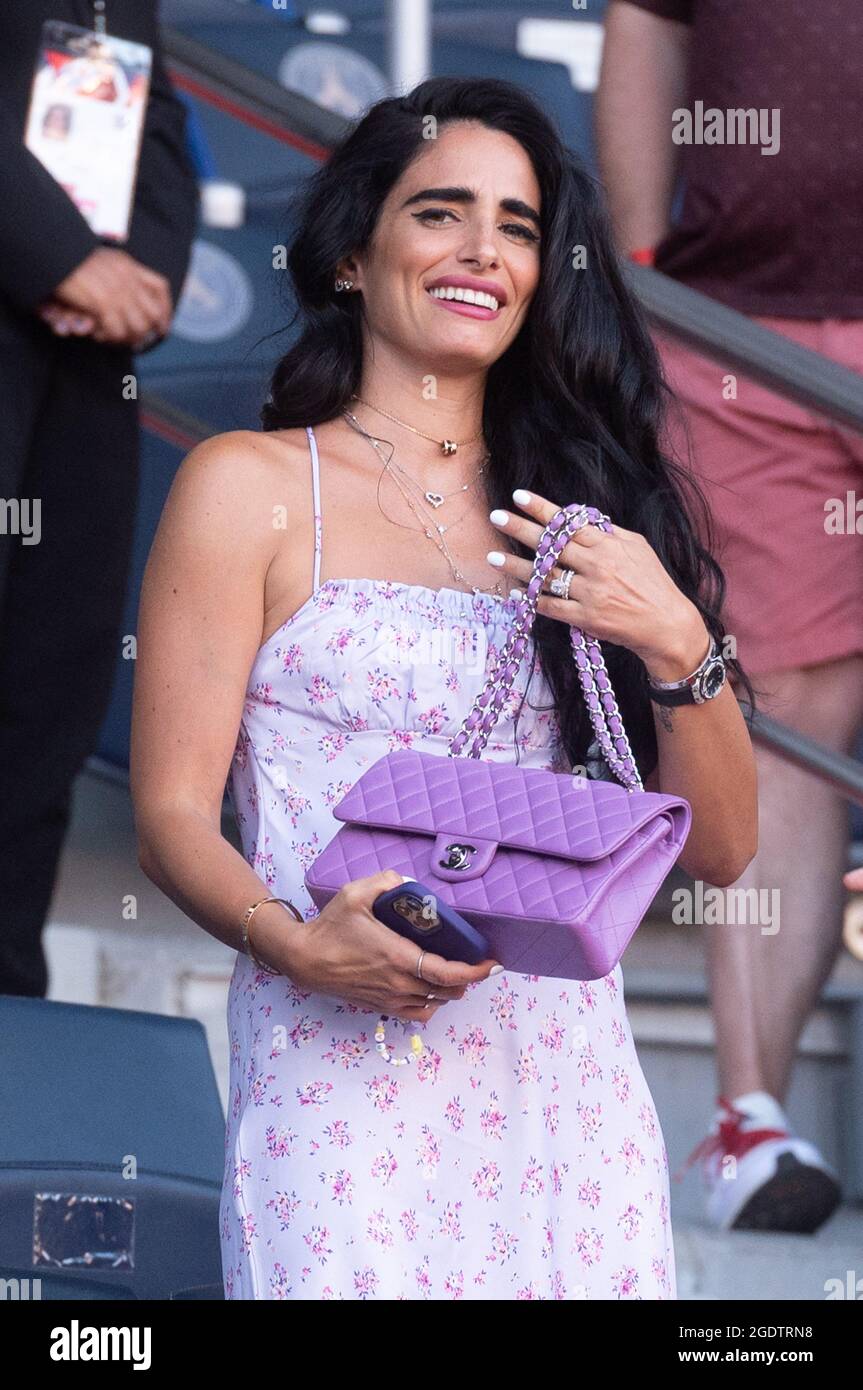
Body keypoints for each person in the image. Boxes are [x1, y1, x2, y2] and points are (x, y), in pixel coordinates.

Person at [131, 76, 757, 1301]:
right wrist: (302, 950)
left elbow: (723, 854)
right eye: (439, 213)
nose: (482, 252)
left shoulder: (584, 511)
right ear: (354, 255)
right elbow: (163, 817)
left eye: (517, 227)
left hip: (564, 1096)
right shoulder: (248, 485)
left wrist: (679, 641)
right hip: (337, 1071)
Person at [596, 0, 863, 1232]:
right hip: (733, 329)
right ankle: (747, 1122)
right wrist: (644, 267)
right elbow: (646, 19)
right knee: (777, 717)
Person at [0, 2, 198, 997]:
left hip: (82, 364)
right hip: (45, 292)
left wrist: (145, 270)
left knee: (45, 701)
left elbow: (147, 111)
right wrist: (61, 255)